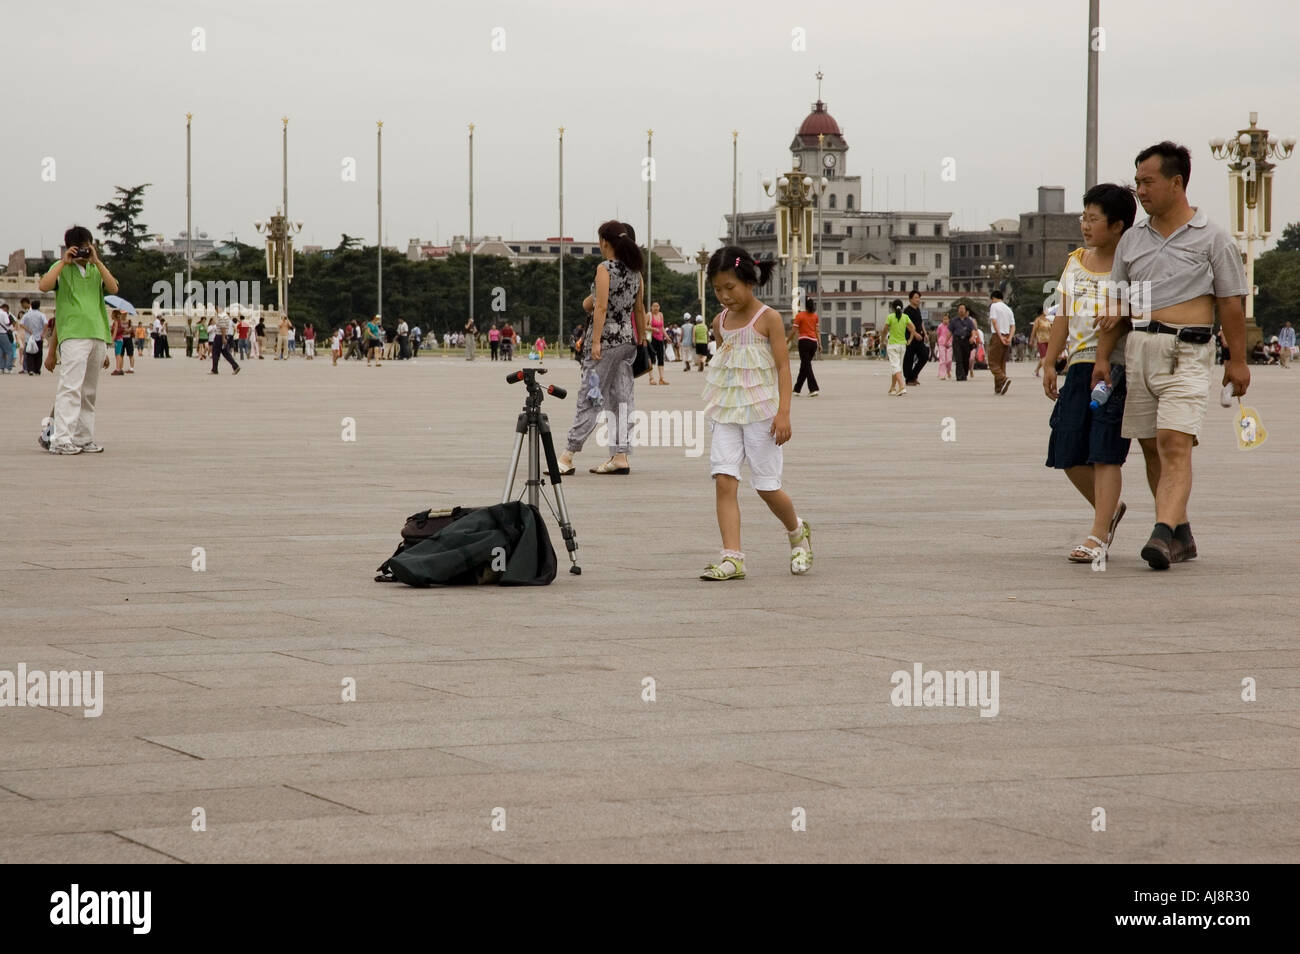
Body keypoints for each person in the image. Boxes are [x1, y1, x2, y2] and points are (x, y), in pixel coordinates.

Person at [1097, 141, 1249, 570]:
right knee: (1150, 446)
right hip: (1140, 347)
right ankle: (1180, 532)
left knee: (1173, 443)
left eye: (1147, 182)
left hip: (1188, 347)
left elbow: (1232, 302)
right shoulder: (1132, 241)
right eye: (1137, 182)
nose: (1140, 191)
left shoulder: (1212, 237)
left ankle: (1161, 533)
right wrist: (1104, 360)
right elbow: (1117, 306)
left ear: (1176, 182)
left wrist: (1237, 360)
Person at [698, 246, 810, 580]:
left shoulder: (769, 319)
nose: (724, 296)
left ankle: (797, 533)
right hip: (727, 411)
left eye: (730, 287)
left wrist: (784, 413)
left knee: (766, 486)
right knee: (724, 479)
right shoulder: (719, 322)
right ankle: (732, 558)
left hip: (762, 412)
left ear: (749, 281)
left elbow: (783, 367)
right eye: (717, 290)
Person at [1042, 182, 1138, 564]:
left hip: (1115, 368)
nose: (1085, 225)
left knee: (1104, 452)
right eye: (1084, 217)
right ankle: (1109, 511)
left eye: (1093, 218)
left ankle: (1098, 535)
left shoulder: (1132, 263)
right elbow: (1063, 315)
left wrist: (1124, 311)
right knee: (1066, 451)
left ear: (1117, 225)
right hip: (1079, 366)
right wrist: (1051, 361)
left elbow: (1144, 310)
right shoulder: (1075, 260)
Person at [557, 219, 646, 476]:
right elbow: (638, 309)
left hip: (605, 344)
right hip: (628, 343)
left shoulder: (605, 269)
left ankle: (567, 455)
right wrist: (641, 341)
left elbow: (601, 307)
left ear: (604, 242)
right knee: (622, 399)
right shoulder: (635, 272)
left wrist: (595, 341)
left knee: (590, 396)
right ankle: (620, 456)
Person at [37, 227, 117, 453]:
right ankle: (61, 438)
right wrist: (63, 262)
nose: (83, 252)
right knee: (70, 387)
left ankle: (83, 437)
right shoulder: (61, 269)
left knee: (89, 391)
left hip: (97, 333)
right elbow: (43, 286)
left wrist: (97, 261)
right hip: (73, 334)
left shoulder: (95, 269)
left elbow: (113, 288)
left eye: (87, 246)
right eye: (79, 247)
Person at [790, 297, 820, 396]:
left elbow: (793, 331)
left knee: (806, 365)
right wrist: (820, 344)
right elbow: (817, 331)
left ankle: (813, 388)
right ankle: (797, 389)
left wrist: (787, 340)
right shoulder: (815, 316)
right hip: (813, 343)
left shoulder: (799, 316)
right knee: (805, 365)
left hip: (804, 342)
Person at [988, 289, 1015, 394]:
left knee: (992, 362)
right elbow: (1013, 326)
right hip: (1007, 335)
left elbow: (994, 322)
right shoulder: (1009, 309)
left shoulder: (994, 306)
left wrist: (1000, 336)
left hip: (997, 336)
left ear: (993, 298)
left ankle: (1003, 378)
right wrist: (1009, 338)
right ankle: (999, 387)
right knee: (1001, 363)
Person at [902, 290, 928, 386]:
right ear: (910, 299)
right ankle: (909, 379)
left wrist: (925, 333)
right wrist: (915, 333)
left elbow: (920, 322)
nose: (918, 299)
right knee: (908, 359)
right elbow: (907, 325)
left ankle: (913, 376)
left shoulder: (918, 309)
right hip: (910, 339)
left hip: (919, 338)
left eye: (919, 298)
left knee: (925, 356)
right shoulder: (907, 311)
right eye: (916, 297)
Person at [21, 298, 48, 375]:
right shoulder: (41, 315)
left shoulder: (27, 315)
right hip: (39, 337)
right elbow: (46, 324)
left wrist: (28, 330)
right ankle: (37, 370)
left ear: (31, 306)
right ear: (39, 306)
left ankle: (30, 370)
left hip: (29, 338)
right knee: (38, 354)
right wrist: (43, 333)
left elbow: (21, 324)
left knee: (29, 354)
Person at [209, 310, 241, 375]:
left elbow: (223, 327)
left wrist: (223, 338)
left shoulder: (221, 317)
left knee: (215, 353)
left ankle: (214, 369)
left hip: (219, 336)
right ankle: (235, 366)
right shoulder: (226, 317)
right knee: (226, 353)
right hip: (223, 336)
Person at [949, 304, 976, 381]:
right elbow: (950, 332)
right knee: (958, 359)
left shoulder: (969, 321)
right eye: (960, 308)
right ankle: (959, 376)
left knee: (965, 359)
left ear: (965, 311)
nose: (961, 310)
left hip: (966, 341)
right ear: (958, 310)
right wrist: (945, 342)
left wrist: (972, 337)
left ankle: (964, 374)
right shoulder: (954, 320)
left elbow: (973, 331)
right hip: (957, 341)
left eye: (962, 308)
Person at [647, 302, 669, 385]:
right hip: (652, 340)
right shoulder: (649, 315)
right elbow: (644, 326)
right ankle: (651, 378)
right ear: (651, 307)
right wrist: (653, 329)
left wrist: (666, 336)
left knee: (661, 358)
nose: (656, 308)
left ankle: (661, 378)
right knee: (651, 359)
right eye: (654, 306)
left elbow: (662, 327)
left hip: (660, 339)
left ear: (659, 307)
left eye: (657, 306)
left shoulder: (661, 315)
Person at [1031, 308, 1053, 376]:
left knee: (1045, 357)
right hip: (1041, 340)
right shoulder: (1038, 320)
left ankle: (1036, 370)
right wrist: (1031, 340)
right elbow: (1034, 330)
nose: (1047, 311)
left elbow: (1051, 331)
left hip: (1048, 340)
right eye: (1045, 310)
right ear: (1042, 312)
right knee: (1044, 357)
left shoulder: (1048, 320)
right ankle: (1046, 372)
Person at [110, 309, 130, 375]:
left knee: (117, 354)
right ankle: (119, 368)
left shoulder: (116, 322)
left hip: (118, 339)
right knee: (118, 354)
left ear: (114, 315)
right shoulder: (118, 321)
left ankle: (118, 369)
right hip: (120, 339)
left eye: (112, 314)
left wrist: (112, 340)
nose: (111, 315)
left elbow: (115, 332)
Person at [934, 314, 953, 379]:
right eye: (944, 319)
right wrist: (938, 343)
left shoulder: (951, 326)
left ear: (949, 319)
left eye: (946, 319)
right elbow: (937, 335)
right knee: (943, 360)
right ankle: (942, 374)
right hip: (941, 344)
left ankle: (948, 371)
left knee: (949, 360)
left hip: (949, 344)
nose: (945, 320)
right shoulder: (940, 326)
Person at [0, 303, 15, 374]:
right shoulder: (4, 313)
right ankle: (7, 368)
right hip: (3, 333)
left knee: (1, 351)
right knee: (9, 351)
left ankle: (1, 367)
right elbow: (7, 323)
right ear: (5, 308)